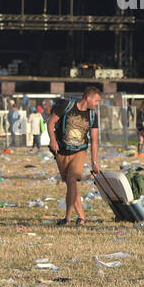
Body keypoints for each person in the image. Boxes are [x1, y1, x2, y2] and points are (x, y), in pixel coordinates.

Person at [47, 86, 102, 226]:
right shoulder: (67, 106)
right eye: (96, 101)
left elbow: (95, 140)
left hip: (80, 151)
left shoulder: (92, 115)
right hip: (62, 151)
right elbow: (50, 122)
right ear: (88, 98)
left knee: (72, 180)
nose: (97, 104)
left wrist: (94, 161)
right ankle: (82, 217)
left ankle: (67, 218)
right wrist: (52, 140)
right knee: (71, 186)